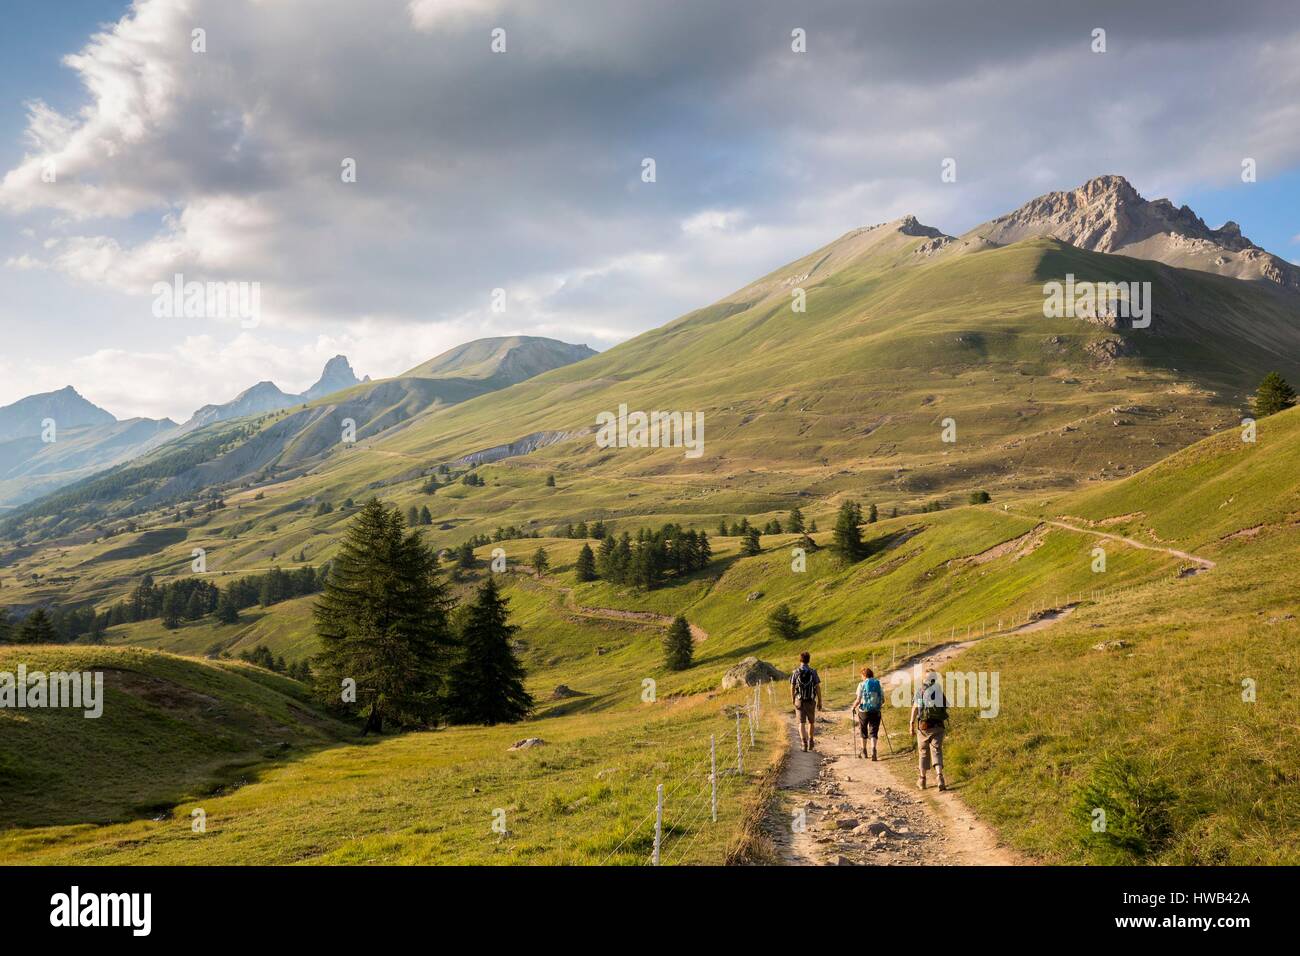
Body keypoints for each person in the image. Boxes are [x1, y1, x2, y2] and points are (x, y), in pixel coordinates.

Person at [908, 670, 948, 791]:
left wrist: (911, 723)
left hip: (924, 726)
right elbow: (946, 706)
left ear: (924, 679)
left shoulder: (921, 691)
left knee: (923, 752)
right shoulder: (939, 690)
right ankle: (940, 777)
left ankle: (922, 780)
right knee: (936, 750)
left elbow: (916, 708)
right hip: (938, 725)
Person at [790, 651, 822, 752]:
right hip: (810, 700)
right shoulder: (813, 672)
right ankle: (811, 741)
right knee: (811, 722)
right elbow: (817, 687)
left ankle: (804, 743)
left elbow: (792, 686)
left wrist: (792, 698)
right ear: (809, 660)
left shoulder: (796, 672)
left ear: (800, 660)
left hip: (799, 700)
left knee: (801, 723)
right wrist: (820, 700)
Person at [853, 666, 884, 760]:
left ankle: (864, 751)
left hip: (864, 711)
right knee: (873, 731)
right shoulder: (878, 684)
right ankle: (873, 750)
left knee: (863, 730)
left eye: (861, 675)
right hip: (876, 711)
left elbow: (858, 699)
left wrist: (853, 706)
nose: (861, 677)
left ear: (864, 675)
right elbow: (883, 700)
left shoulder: (861, 684)